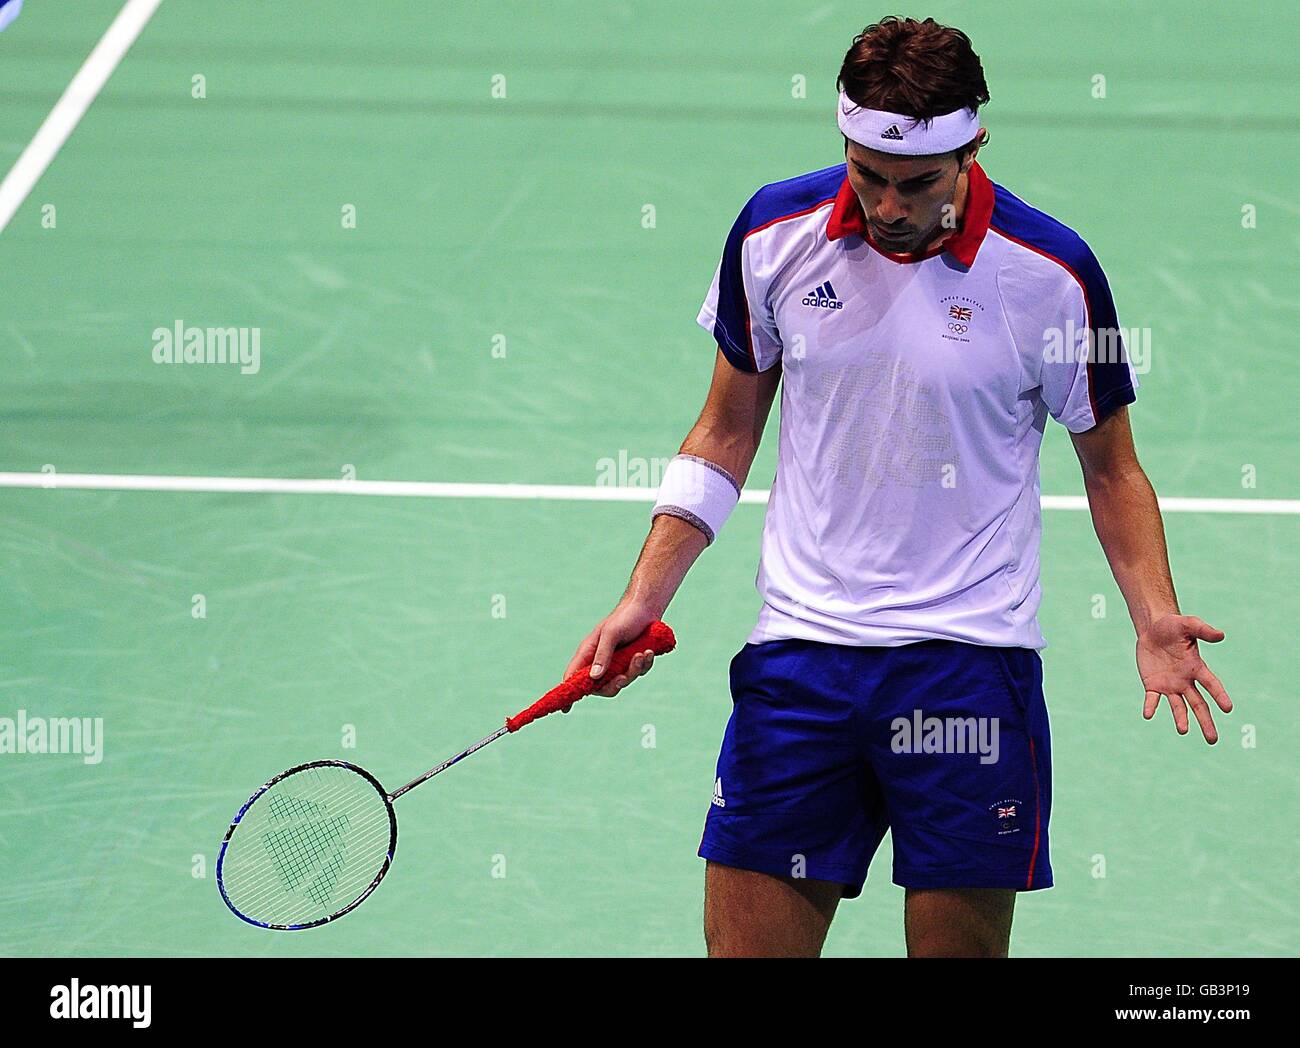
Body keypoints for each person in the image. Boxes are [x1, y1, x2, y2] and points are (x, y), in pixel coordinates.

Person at [564, 15, 1232, 958]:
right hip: (801, 660)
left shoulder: (1053, 275)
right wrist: (646, 594)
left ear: (971, 148)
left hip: (968, 667)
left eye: (915, 181)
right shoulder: (771, 234)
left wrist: (1153, 615)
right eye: (866, 174)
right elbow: (725, 430)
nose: (885, 204)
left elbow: (1111, 467)